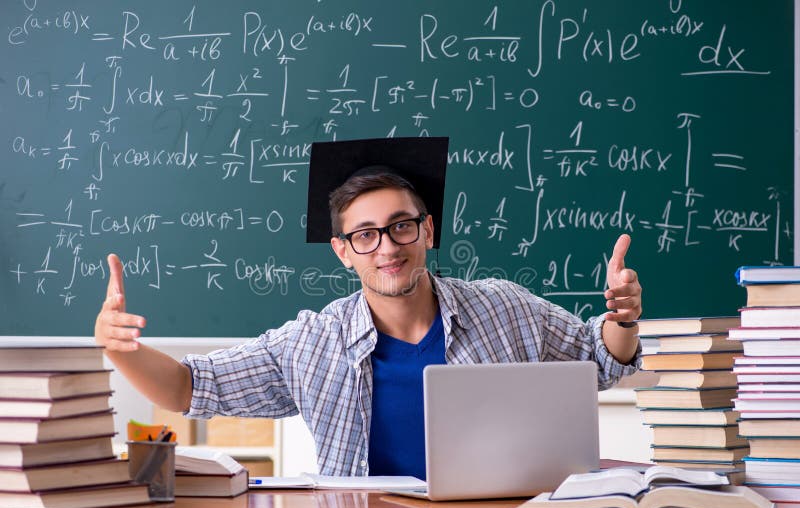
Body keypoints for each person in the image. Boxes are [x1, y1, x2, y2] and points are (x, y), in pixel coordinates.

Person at [95, 137, 642, 479]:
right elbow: (188, 388)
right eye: (365, 235)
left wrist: (622, 319)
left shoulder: (506, 308)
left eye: (401, 225)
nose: (387, 246)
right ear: (342, 251)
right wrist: (120, 348)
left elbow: (602, 359)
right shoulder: (311, 343)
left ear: (427, 231)